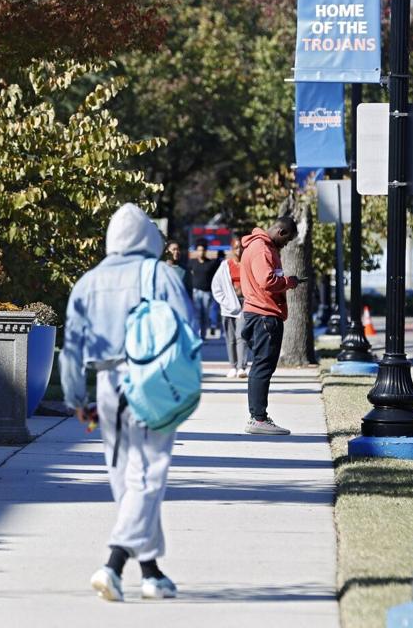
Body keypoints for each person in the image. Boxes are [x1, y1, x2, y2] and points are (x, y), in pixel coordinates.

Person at [60, 203, 199, 603]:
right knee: (149, 474)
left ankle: (151, 572)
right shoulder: (160, 273)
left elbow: (70, 349)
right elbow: (186, 329)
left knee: (124, 477)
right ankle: (114, 563)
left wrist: (75, 399)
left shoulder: (88, 281)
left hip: (106, 383)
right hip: (151, 381)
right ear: (148, 238)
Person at [239, 217, 300, 436]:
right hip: (264, 314)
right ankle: (258, 418)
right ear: (280, 231)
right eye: (287, 240)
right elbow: (266, 281)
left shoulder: (260, 247)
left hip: (260, 313)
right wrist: (288, 283)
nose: (286, 245)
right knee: (263, 367)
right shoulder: (261, 249)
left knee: (262, 366)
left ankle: (258, 416)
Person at [212, 235, 250, 379]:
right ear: (231, 249)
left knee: (242, 336)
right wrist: (225, 301)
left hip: (244, 304)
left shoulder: (248, 264)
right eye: (236, 247)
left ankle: (241, 367)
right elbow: (216, 286)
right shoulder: (225, 266)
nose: (239, 250)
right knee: (230, 338)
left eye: (241, 247)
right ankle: (232, 366)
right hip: (228, 306)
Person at [189, 241, 220, 338]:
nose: (201, 252)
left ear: (205, 251)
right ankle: (197, 335)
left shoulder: (210, 263)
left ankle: (203, 335)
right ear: (196, 251)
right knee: (197, 315)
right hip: (196, 292)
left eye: (203, 250)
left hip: (207, 293)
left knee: (205, 315)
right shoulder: (192, 263)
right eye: (199, 250)